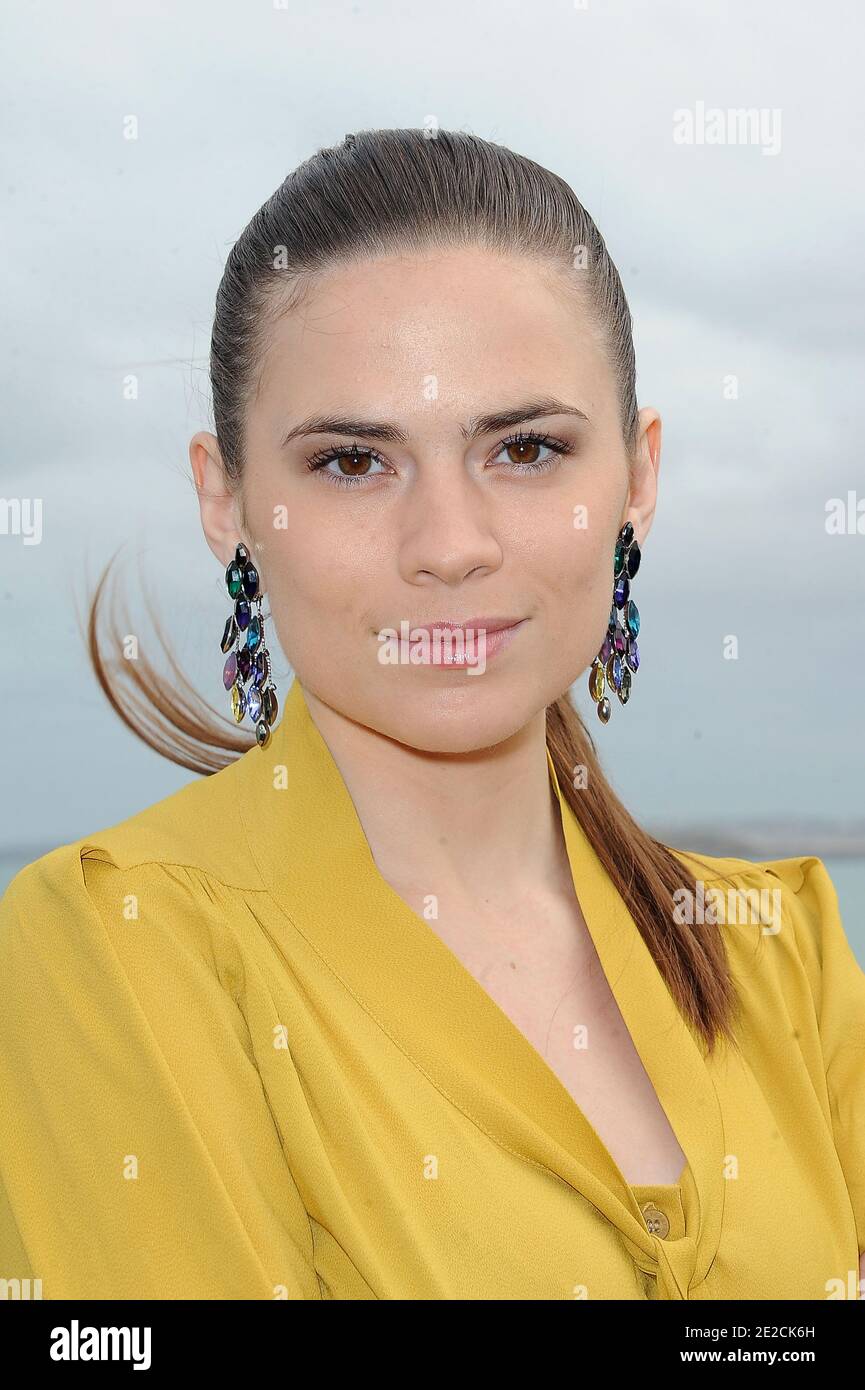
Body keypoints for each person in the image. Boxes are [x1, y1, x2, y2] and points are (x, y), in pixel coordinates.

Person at [1, 128, 863, 1301]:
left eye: (526, 448)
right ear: (227, 500)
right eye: (354, 463)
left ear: (638, 477)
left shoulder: (783, 951)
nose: (450, 546)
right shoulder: (115, 941)